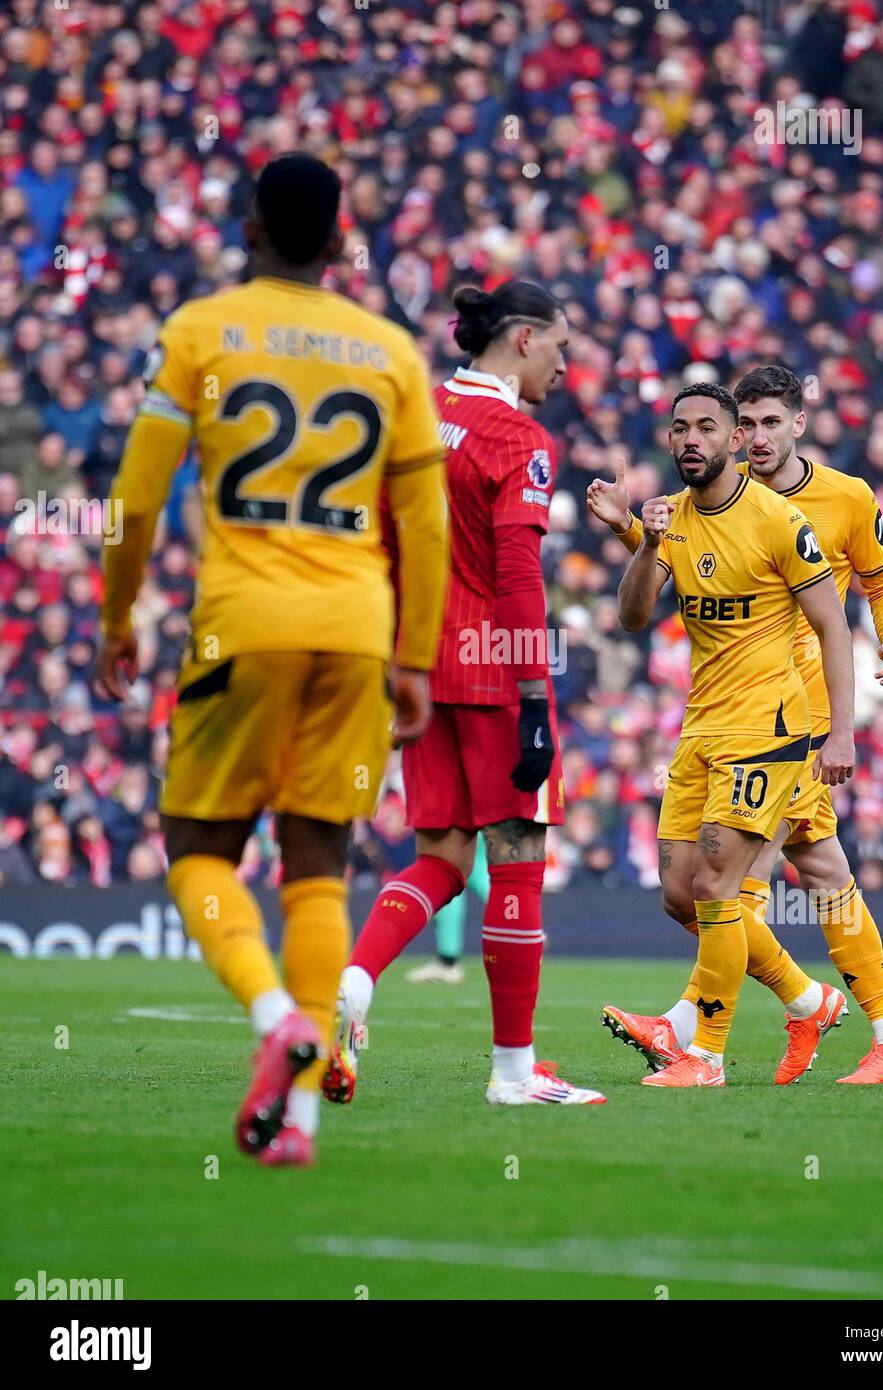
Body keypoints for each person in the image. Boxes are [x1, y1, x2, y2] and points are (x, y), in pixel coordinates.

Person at [94, 152, 449, 1166]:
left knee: (199, 846)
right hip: (357, 629)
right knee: (319, 866)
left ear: (249, 231)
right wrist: (413, 659)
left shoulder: (202, 332)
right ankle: (294, 1124)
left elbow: (136, 494)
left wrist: (119, 614)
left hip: (242, 623)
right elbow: (423, 528)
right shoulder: (389, 352)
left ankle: (271, 1019)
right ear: (342, 242)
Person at [589, 366, 883, 1084]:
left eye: (770, 422)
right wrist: (631, 531)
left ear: (793, 425)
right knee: (772, 878)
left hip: (784, 722)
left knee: (728, 886)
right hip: (716, 719)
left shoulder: (834, 501)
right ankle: (848, 1018)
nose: (759, 436)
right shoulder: (692, 507)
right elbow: (687, 576)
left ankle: (699, 1037)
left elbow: (878, 583)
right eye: (748, 422)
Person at [323, 281, 605, 1106]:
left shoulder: (416, 411)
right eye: (560, 345)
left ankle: (354, 981)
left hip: (418, 666)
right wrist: (535, 699)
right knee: (518, 858)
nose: (566, 362)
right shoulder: (519, 437)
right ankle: (514, 1075)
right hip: (490, 671)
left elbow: (373, 540)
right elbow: (518, 574)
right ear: (521, 339)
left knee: (442, 857)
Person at [406, 834, 488, 984]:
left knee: (448, 870)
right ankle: (525, 930)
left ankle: (447, 961)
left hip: (456, 818)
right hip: (484, 818)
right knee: (480, 871)